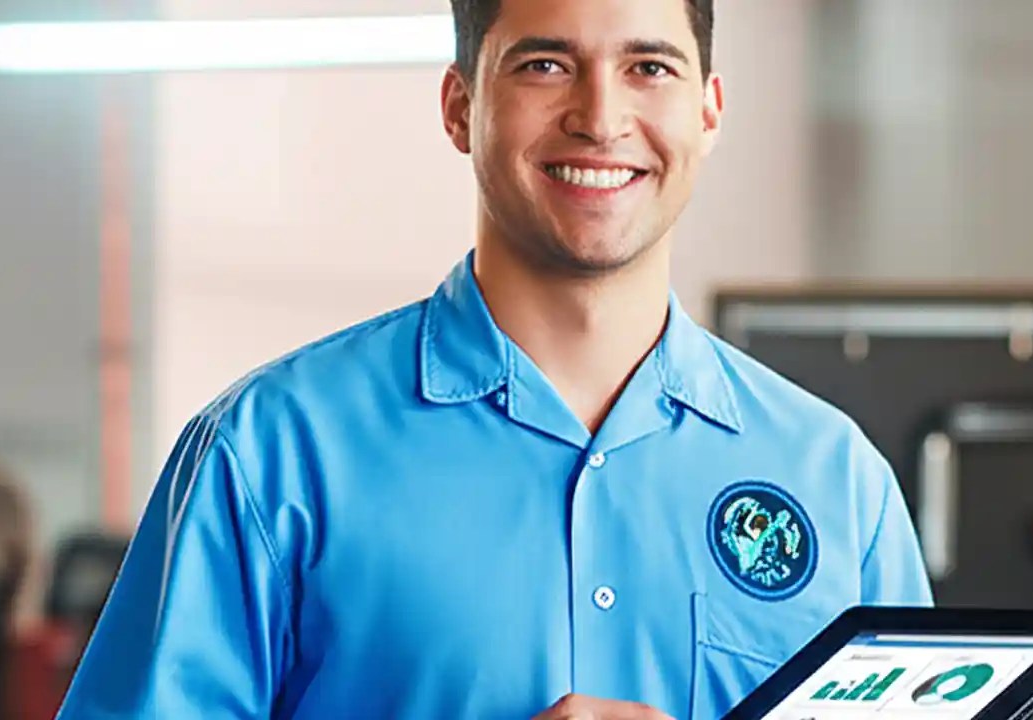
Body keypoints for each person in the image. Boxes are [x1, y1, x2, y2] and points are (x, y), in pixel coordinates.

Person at [56, 0, 932, 717]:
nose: (600, 117)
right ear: (459, 107)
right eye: (545, 64)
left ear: (707, 110)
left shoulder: (836, 482)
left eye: (649, 67)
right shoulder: (268, 456)